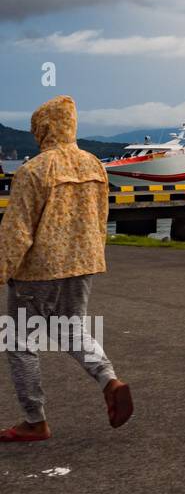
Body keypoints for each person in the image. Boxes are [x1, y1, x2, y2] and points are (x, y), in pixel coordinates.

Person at [0, 95, 132, 442]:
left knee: (19, 342)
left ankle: (34, 420)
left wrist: (3, 269)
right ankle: (109, 379)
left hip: (38, 270)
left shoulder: (34, 169)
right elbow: (101, 219)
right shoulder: (94, 165)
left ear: (43, 128)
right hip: (83, 263)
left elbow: (17, 229)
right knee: (69, 328)